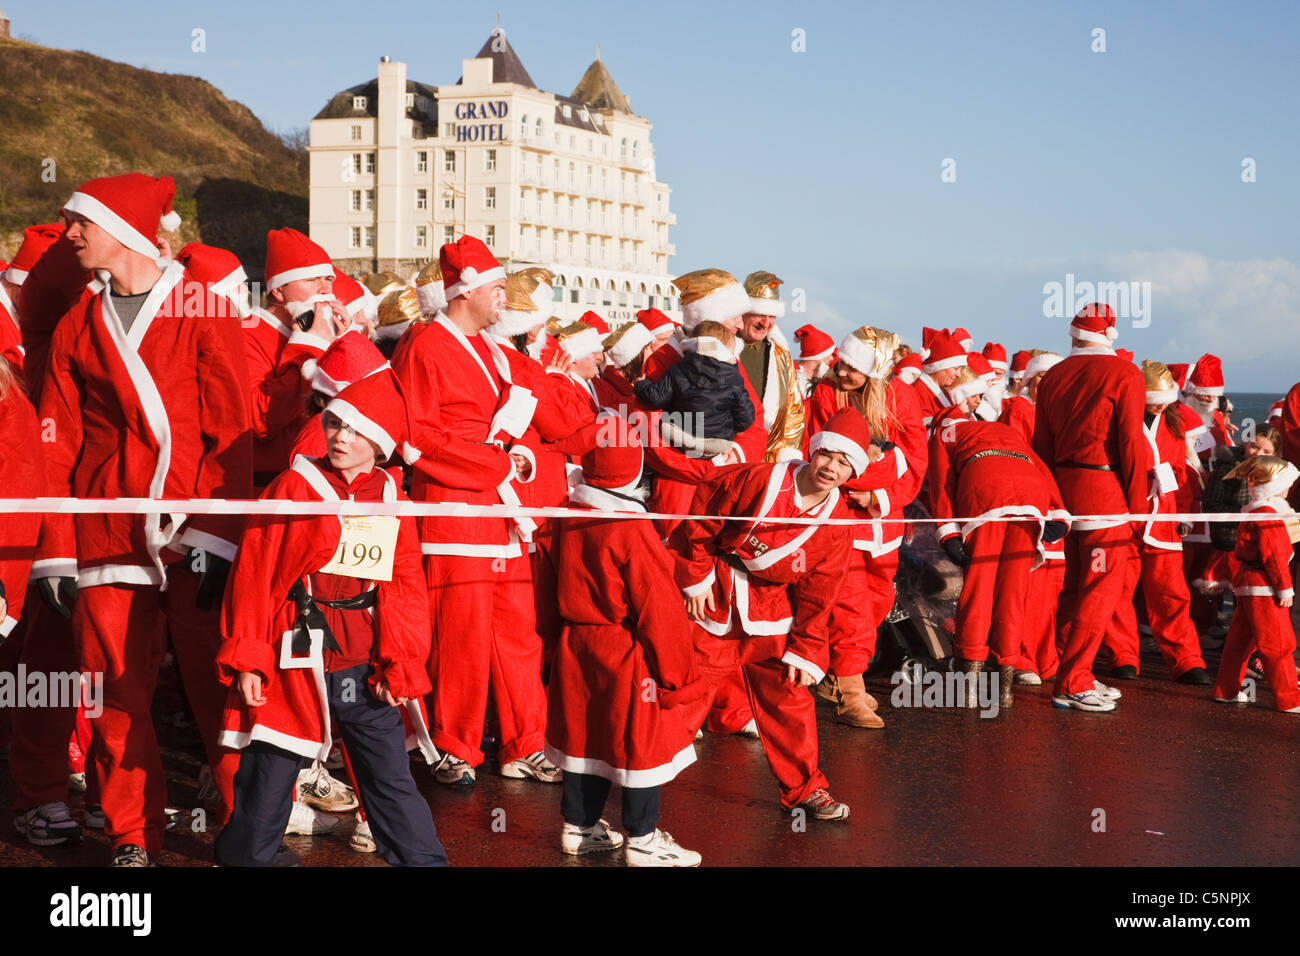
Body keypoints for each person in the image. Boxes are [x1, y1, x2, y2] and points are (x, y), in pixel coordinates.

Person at [35, 172, 253, 865]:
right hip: (106, 531)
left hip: (191, 532)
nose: (70, 234)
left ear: (122, 230)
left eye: (82, 223)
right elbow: (59, 447)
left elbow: (234, 434)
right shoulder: (77, 321)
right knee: (111, 694)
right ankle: (132, 833)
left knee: (218, 689)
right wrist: (57, 551)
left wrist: (219, 535)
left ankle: (250, 826)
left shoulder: (203, 310)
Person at [214, 372, 445, 866]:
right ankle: (247, 860)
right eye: (336, 423)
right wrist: (250, 656)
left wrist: (401, 664)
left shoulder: (390, 496)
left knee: (390, 777)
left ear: (380, 444)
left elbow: (403, 586)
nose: (340, 436)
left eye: (357, 430)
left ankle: (425, 863)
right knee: (270, 773)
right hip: (293, 655)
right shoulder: (294, 485)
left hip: (363, 658)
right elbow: (255, 574)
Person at [390, 235, 556, 786]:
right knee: (461, 637)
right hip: (453, 511)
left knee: (519, 633)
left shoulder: (489, 348)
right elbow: (416, 438)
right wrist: (494, 466)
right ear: (466, 291)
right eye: (498, 287)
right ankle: (453, 744)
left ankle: (524, 743)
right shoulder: (422, 345)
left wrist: (520, 457)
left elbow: (511, 427)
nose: (505, 297)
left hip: (497, 511)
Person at [669, 408, 866, 820]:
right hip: (717, 595)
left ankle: (805, 789)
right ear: (813, 452)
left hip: (772, 610)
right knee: (684, 689)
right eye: (827, 455)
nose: (832, 467)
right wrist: (696, 576)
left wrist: (807, 650)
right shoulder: (761, 479)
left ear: (853, 472)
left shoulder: (837, 523)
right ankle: (641, 772)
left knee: (789, 697)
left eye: (844, 462)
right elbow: (705, 513)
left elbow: (820, 592)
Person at [545, 417, 703, 866]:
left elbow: (546, 581)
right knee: (640, 741)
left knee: (584, 737)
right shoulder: (632, 527)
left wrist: (551, 641)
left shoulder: (568, 515)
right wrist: (677, 677)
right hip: (624, 645)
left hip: (577, 641)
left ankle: (579, 827)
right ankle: (643, 840)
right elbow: (660, 609)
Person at [804, 327, 927, 729]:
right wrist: (882, 470)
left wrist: (882, 497)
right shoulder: (826, 395)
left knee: (875, 603)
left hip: (884, 522)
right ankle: (852, 692)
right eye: (841, 364)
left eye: (853, 368)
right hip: (842, 520)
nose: (842, 372)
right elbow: (832, 459)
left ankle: (834, 677)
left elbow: (915, 460)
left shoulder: (901, 397)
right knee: (850, 607)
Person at [928, 368, 1068, 707]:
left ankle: (970, 682)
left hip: (985, 491)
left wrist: (949, 531)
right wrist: (1056, 512)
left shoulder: (944, 432)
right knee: (1013, 591)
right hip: (1031, 495)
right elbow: (1037, 467)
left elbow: (941, 485)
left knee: (979, 587)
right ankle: (1005, 681)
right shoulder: (1005, 430)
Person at [1032, 303, 1147, 712]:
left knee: (1074, 585)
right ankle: (1074, 680)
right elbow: (1131, 442)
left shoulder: (1054, 375)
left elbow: (1040, 445)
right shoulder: (1124, 373)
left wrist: (1046, 497)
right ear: (1110, 334)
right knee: (1100, 590)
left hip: (1062, 486)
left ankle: (1065, 669)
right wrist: (1136, 507)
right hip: (1105, 490)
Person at [1101, 361, 1213, 685]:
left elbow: (1180, 473)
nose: (1162, 405)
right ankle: (1122, 656)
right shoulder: (1120, 420)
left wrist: (1184, 515)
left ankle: (1187, 659)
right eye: (1155, 398)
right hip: (1126, 516)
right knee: (1118, 593)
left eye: (1166, 399)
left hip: (1163, 519)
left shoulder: (1174, 425)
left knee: (1173, 593)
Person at [1211, 456, 1299, 712]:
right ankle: (1289, 698)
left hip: (1247, 583)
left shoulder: (1251, 511)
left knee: (1239, 642)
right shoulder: (1267, 514)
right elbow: (1274, 555)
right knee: (1279, 643)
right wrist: (1284, 588)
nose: (1288, 487)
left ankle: (1226, 690)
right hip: (1264, 584)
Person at [634, 320, 755, 458]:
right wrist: (732, 427)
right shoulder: (734, 379)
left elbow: (656, 397)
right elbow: (745, 419)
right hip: (717, 444)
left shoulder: (678, 370)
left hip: (679, 436)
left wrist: (640, 384)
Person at [737, 271, 805, 460]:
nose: (766, 323)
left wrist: (786, 459)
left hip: (766, 461)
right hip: (725, 458)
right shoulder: (721, 346)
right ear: (743, 311)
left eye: (772, 316)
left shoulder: (780, 354)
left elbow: (793, 410)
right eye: (760, 314)